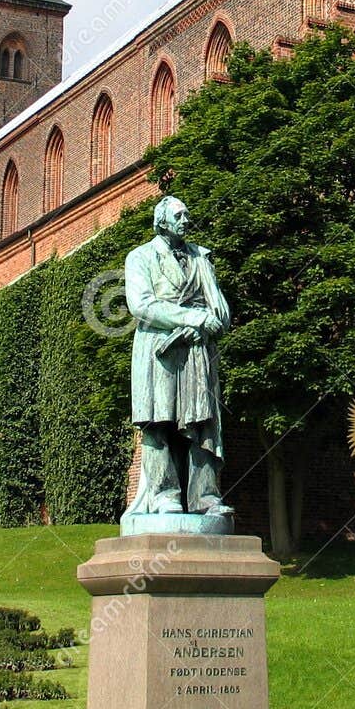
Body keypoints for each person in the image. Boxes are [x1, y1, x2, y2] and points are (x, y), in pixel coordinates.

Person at [123, 195, 232, 517]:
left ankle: (205, 497)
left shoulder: (201, 257)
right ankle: (163, 495)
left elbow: (220, 310)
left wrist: (207, 323)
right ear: (162, 222)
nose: (186, 220)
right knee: (158, 422)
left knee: (204, 424)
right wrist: (191, 318)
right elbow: (141, 304)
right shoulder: (140, 257)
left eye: (187, 215)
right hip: (159, 351)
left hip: (198, 351)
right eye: (179, 215)